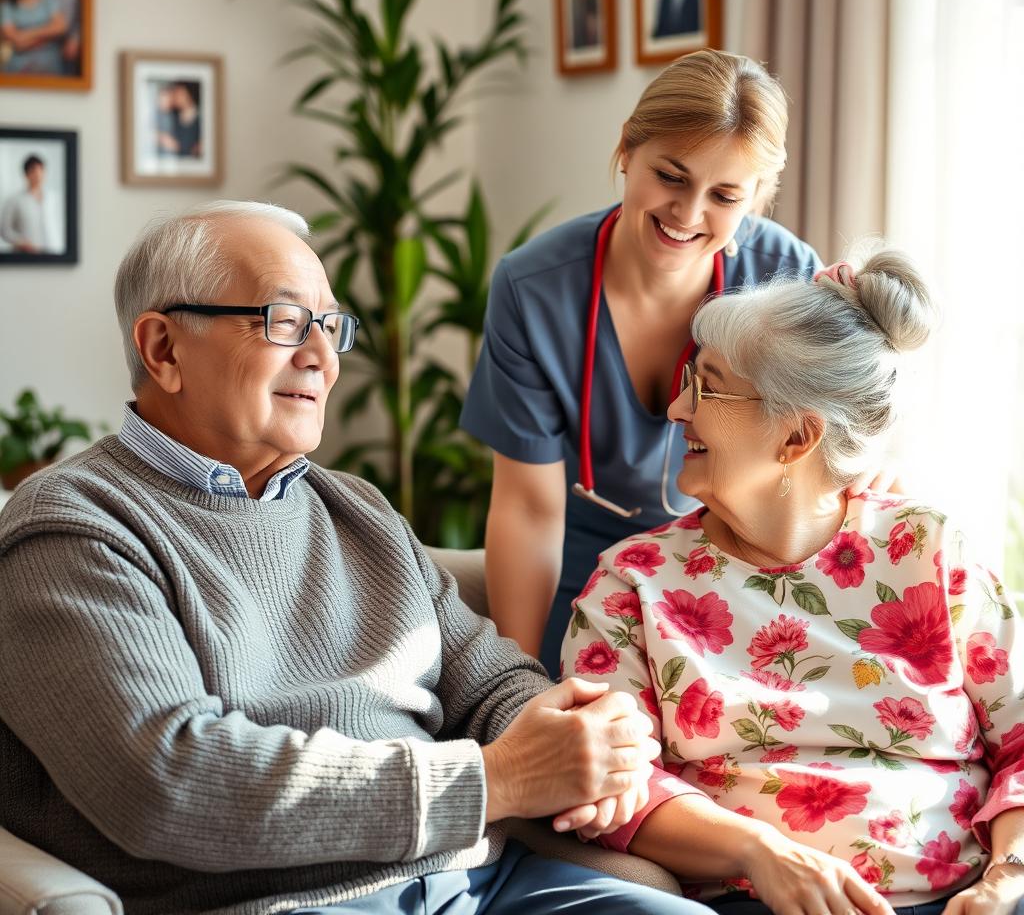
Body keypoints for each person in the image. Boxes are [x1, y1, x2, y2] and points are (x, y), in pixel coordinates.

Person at [0, 200, 711, 915]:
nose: (321, 356)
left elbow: (490, 683)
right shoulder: (73, 527)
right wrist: (499, 780)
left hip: (483, 885)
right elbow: (168, 782)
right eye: (283, 322)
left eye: (330, 325)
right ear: (163, 350)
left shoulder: (356, 509)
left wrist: (577, 736)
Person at [562, 252, 1024, 915]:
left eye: (706, 387)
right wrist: (758, 849)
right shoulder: (633, 583)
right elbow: (609, 779)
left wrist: (1007, 879)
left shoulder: (926, 548)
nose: (675, 408)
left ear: (796, 438)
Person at [461, 49, 823, 677]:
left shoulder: (788, 279)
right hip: (586, 572)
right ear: (627, 149)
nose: (687, 215)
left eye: (724, 195)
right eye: (672, 176)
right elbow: (528, 509)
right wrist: (516, 692)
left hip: (738, 565)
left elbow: (823, 466)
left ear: (756, 201)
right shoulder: (533, 288)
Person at [0, 0, 65, 75]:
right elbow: (15, 40)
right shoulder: (7, 7)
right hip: (19, 65)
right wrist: (48, 35)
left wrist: (25, 35)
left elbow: (60, 27)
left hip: (50, 63)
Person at [0, 154, 49, 253]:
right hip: (24, 255)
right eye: (34, 171)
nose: (38, 175)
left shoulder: (51, 199)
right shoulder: (14, 200)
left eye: (41, 171)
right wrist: (21, 242)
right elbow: (4, 230)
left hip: (50, 255)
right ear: (26, 174)